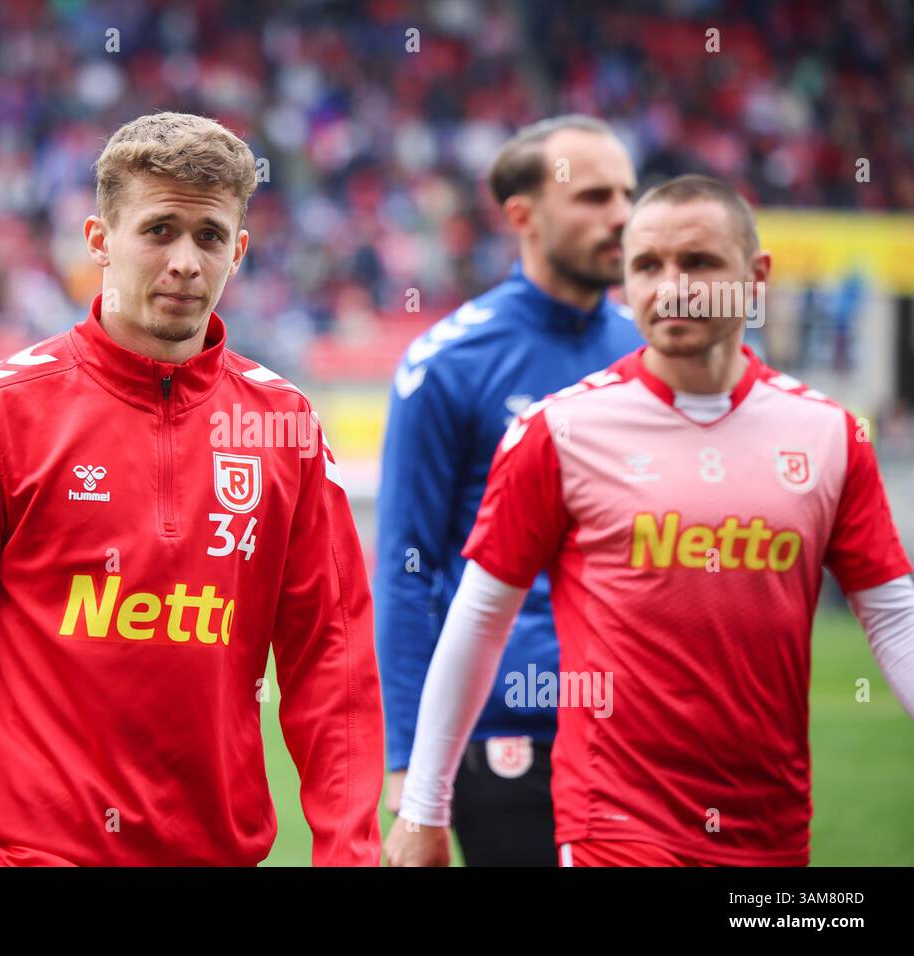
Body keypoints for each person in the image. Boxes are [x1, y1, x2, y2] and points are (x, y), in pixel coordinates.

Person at [0, 112, 384, 867]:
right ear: (99, 240)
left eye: (209, 237)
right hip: (37, 852)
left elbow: (332, 668)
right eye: (159, 230)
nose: (185, 261)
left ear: (238, 252)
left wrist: (351, 852)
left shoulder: (287, 427)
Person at [386, 174, 914, 867]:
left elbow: (893, 616)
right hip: (613, 826)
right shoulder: (559, 429)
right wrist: (424, 807)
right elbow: (481, 616)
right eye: (646, 266)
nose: (671, 286)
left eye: (698, 262)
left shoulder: (829, 435)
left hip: (772, 830)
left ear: (756, 278)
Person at [375, 115, 640, 864]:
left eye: (626, 193)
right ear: (523, 214)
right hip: (511, 729)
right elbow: (407, 570)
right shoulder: (448, 364)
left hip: (643, 724)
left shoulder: (653, 355)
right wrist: (406, 766)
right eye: (592, 196)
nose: (620, 214)